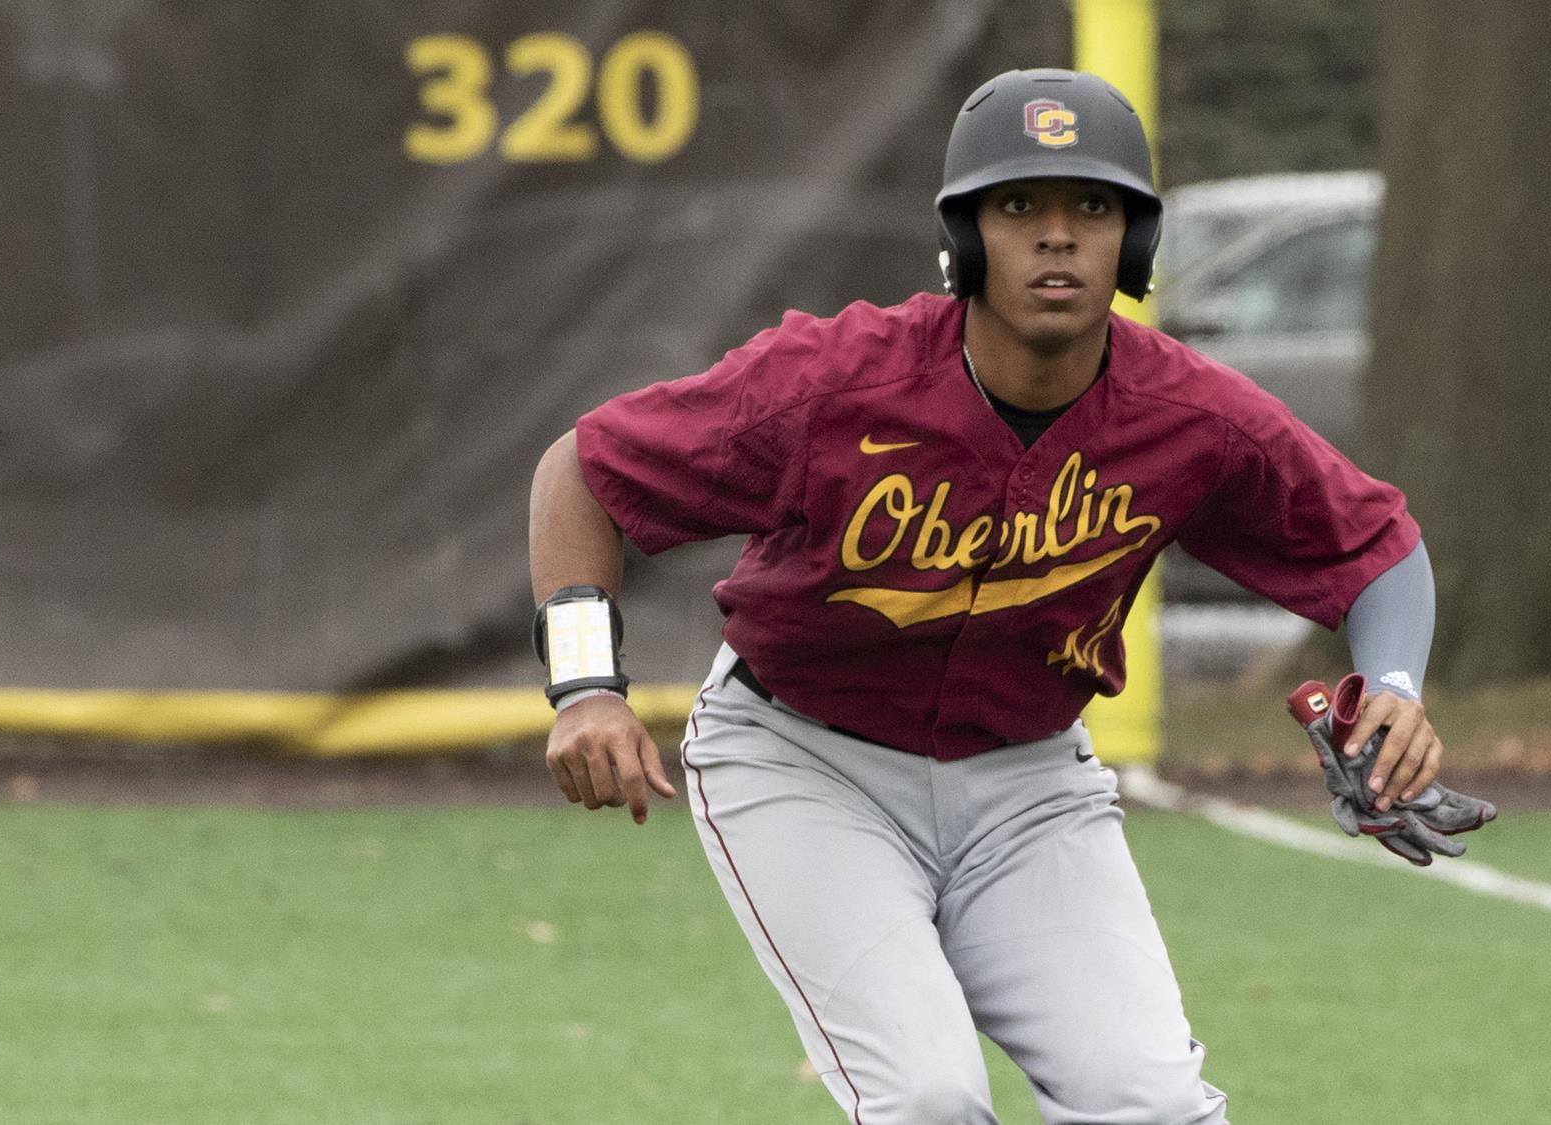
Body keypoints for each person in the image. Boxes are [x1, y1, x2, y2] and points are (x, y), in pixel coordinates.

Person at [528, 68, 1449, 1125]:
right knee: (929, 1099)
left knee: (1147, 1104)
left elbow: (1373, 544)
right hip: (803, 764)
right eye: (1017, 207)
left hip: (1026, 788)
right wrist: (585, 687)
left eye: (1091, 206)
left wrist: (1392, 686)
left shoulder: (1189, 414)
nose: (1056, 236)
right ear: (962, 241)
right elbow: (583, 471)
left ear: (1134, 244)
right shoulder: (832, 380)